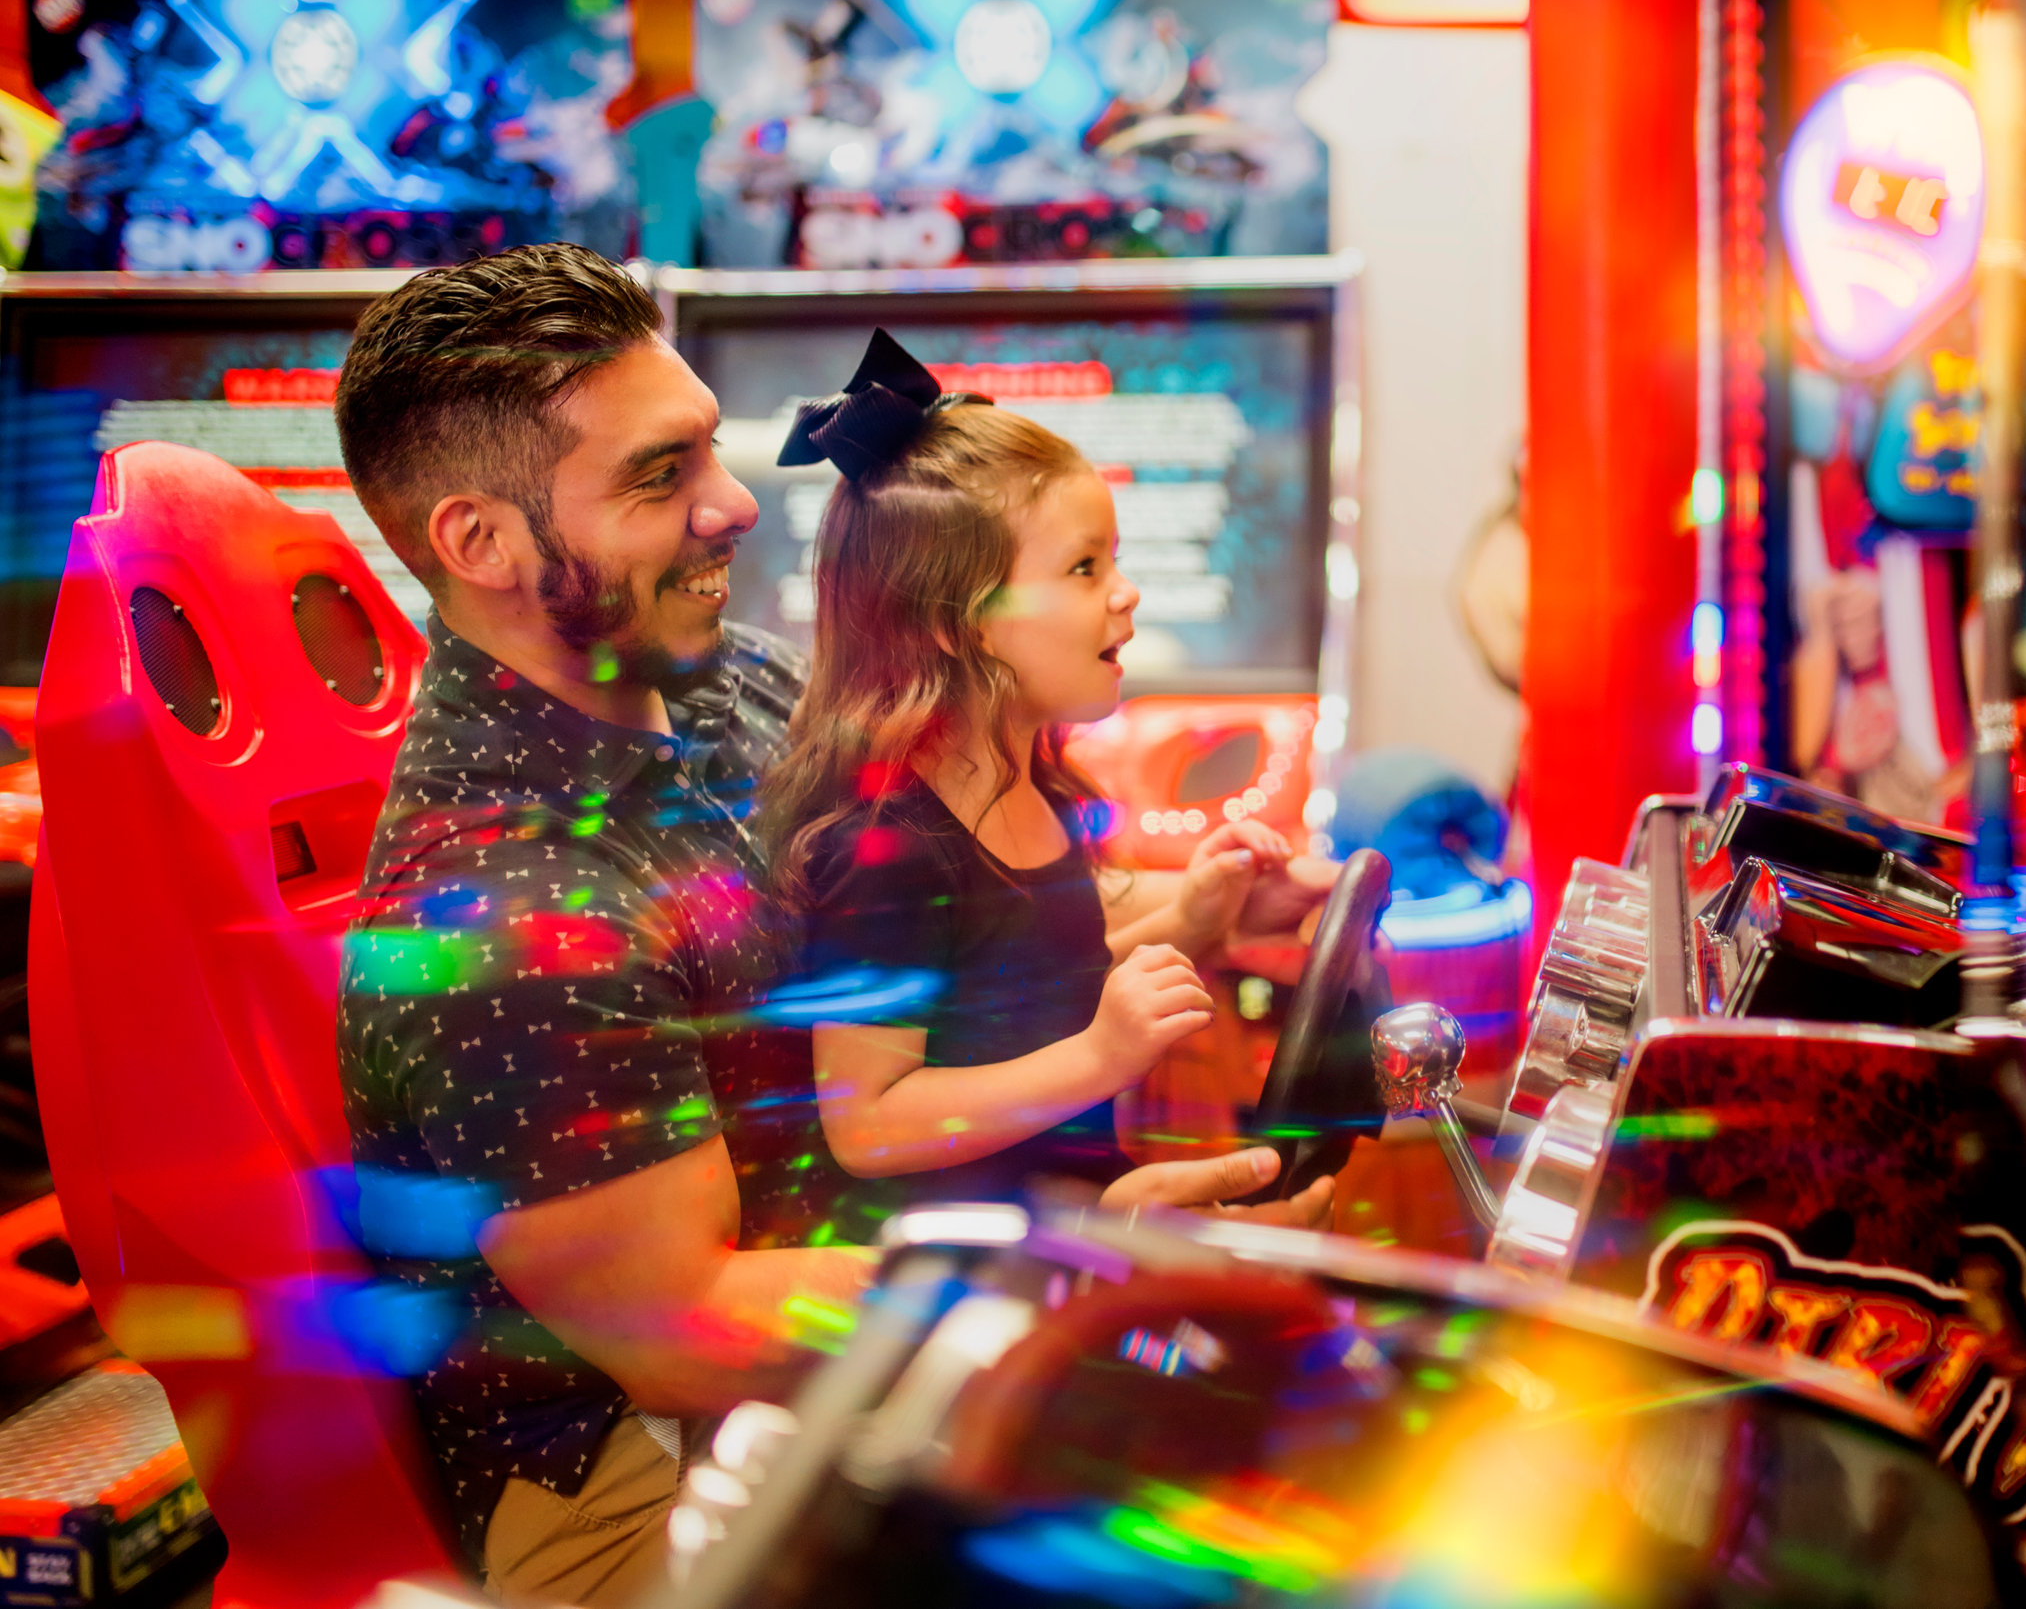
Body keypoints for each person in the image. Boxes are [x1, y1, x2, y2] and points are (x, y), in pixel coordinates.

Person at [333, 248, 1327, 1605]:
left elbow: (957, 937)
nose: (735, 503)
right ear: (481, 542)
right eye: (658, 475)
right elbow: (685, 1333)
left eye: (709, 454)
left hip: (868, 1341)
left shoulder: (724, 681)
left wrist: (1195, 912)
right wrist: (1082, 1263)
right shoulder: (507, 911)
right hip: (646, 1491)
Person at [754, 332, 1341, 1210]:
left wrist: (1194, 919)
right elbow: (870, 1123)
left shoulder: (1034, 790)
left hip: (1074, 1217)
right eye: (1083, 568)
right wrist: (1100, 1057)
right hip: (968, 1280)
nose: (1126, 591)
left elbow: (1030, 998)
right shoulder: (890, 851)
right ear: (960, 621)